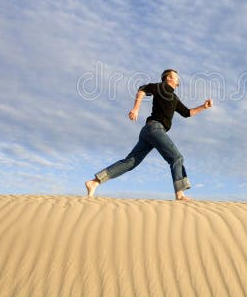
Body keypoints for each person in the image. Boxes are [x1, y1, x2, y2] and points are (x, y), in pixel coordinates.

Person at [85, 69, 213, 201]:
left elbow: (187, 113)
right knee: (176, 158)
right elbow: (142, 89)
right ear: (168, 78)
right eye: (175, 77)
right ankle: (180, 194)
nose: (178, 79)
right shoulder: (160, 87)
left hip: (150, 131)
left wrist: (203, 106)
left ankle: (94, 182)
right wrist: (136, 108)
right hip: (155, 128)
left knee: (130, 162)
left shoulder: (174, 98)